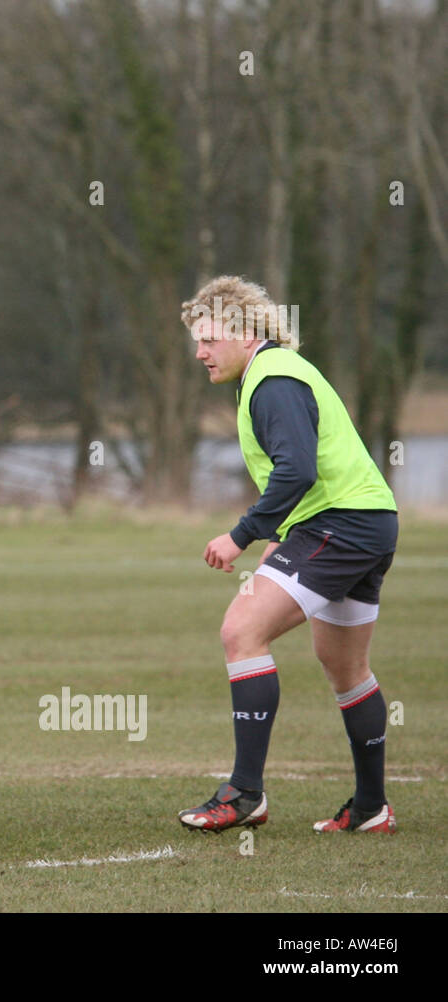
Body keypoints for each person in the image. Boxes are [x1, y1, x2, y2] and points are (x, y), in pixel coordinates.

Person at [177, 276, 398, 835]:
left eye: (207, 339)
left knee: (240, 630)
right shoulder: (277, 372)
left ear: (244, 332)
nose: (199, 352)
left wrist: (242, 534)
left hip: (340, 525)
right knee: (345, 667)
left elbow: (296, 471)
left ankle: (245, 793)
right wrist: (277, 537)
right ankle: (371, 808)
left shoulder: (272, 379)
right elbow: (304, 473)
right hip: (369, 522)